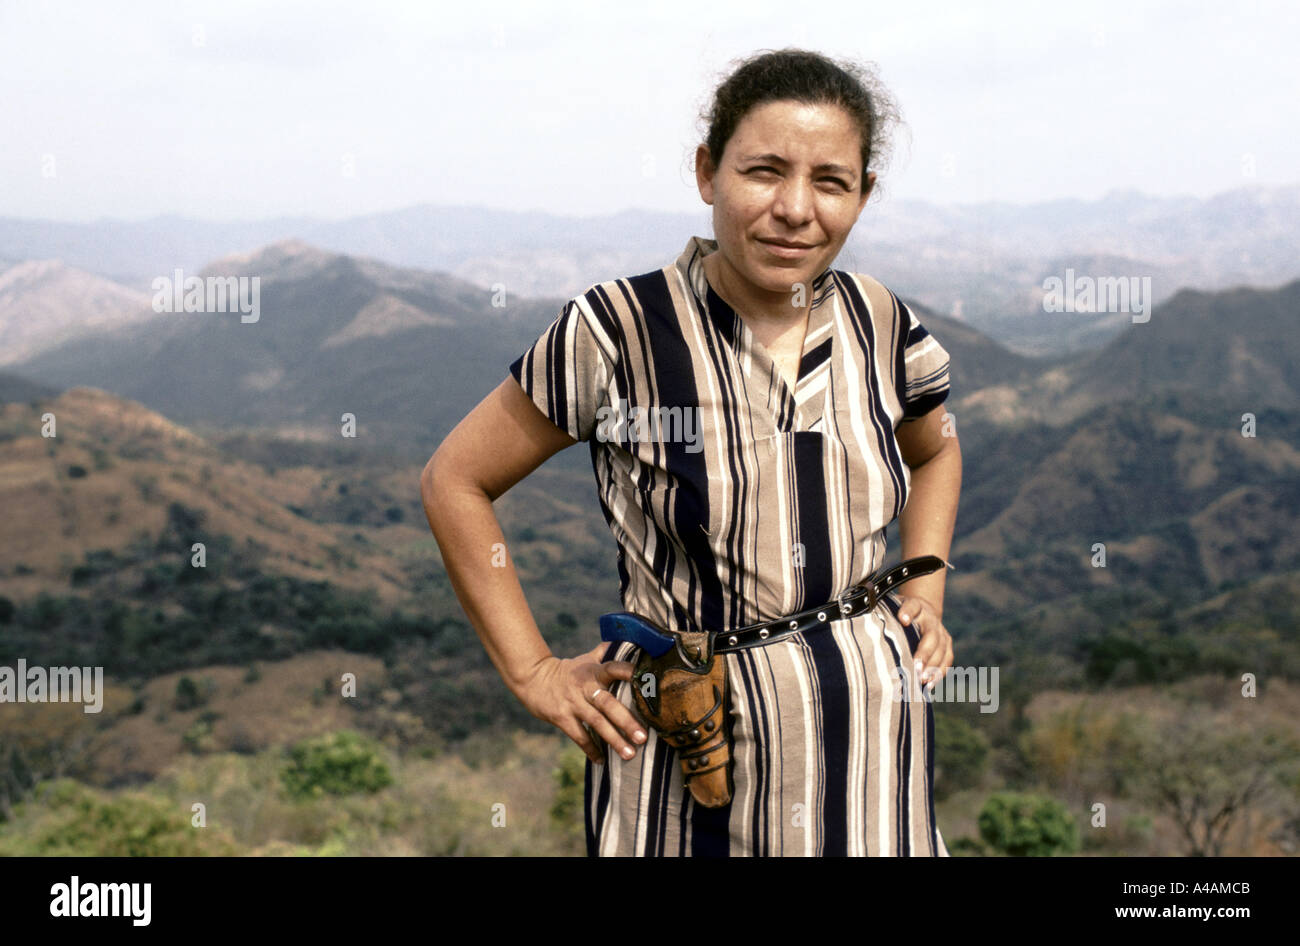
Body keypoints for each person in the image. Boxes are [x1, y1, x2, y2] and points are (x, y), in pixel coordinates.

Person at [421, 47, 961, 856]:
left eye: (830, 181)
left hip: (870, 742)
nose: (794, 208)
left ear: (863, 196)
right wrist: (533, 671)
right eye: (763, 171)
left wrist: (928, 584)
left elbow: (938, 451)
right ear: (708, 172)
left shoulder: (879, 321)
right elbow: (455, 480)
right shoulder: (619, 331)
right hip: (685, 734)